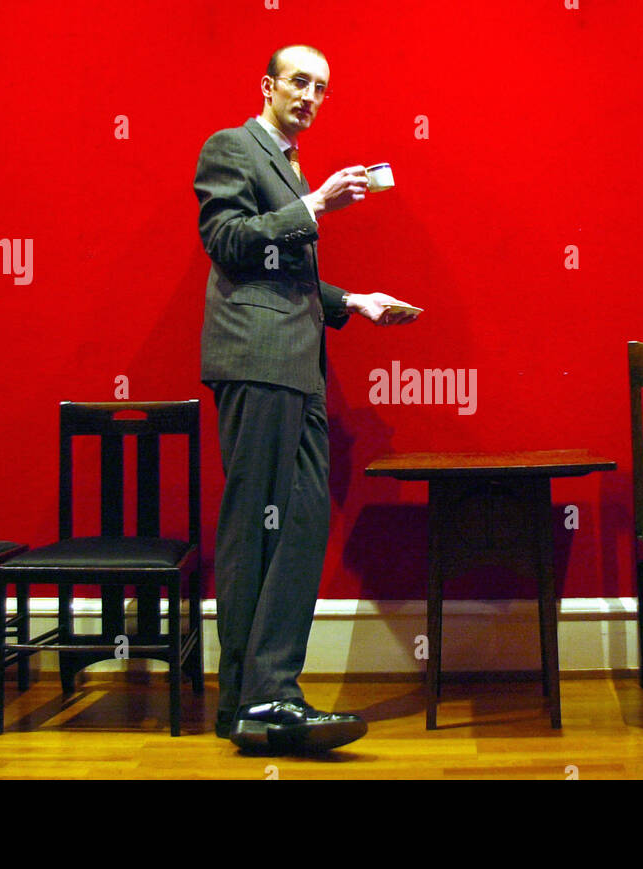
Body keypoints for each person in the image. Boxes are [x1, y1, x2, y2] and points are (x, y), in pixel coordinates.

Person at [194, 44, 418, 752]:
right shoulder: (232, 147)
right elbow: (226, 242)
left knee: (299, 525)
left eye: (322, 87)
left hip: (297, 364)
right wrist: (315, 203)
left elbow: (282, 273)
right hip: (257, 358)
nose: (311, 96)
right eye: (299, 82)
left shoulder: (289, 167)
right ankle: (260, 698)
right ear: (267, 85)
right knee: (256, 528)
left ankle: (258, 698)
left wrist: (353, 301)